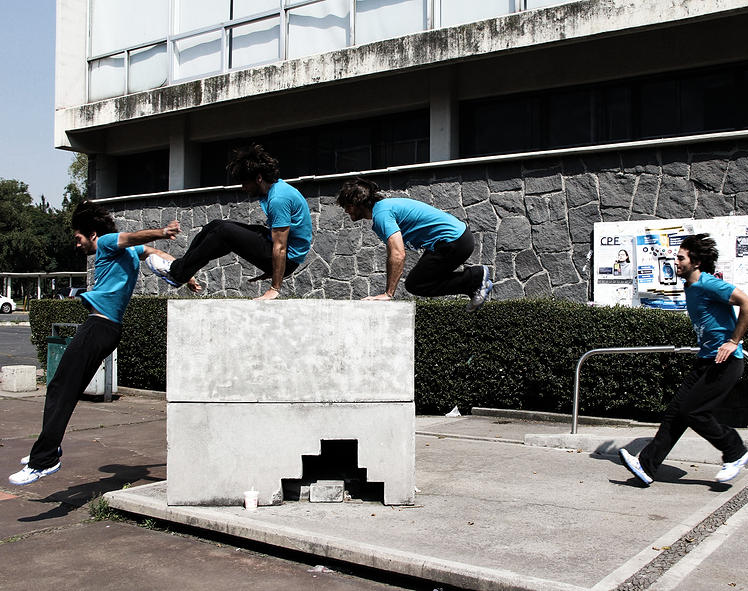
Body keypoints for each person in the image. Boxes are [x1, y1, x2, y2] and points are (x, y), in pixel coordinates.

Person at [9, 202, 197, 485]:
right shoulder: (129, 252)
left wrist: (162, 231)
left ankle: (44, 459)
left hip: (98, 327)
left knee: (61, 388)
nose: (77, 244)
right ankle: (48, 448)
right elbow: (154, 253)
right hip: (106, 329)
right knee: (63, 387)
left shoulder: (108, 243)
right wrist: (186, 274)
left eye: (78, 238)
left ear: (93, 234)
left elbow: (134, 237)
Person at [619, 233, 748, 486]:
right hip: (706, 360)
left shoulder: (708, 284)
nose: (676, 262)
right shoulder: (690, 286)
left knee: (694, 411)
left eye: (681, 258)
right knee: (676, 412)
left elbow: (747, 304)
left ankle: (735, 452)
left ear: (696, 262)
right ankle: (646, 466)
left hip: (726, 362)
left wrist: (733, 341)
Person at [146, 144, 312, 300]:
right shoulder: (276, 189)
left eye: (245, 183)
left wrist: (275, 286)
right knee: (216, 225)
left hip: (288, 259)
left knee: (224, 232)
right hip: (282, 253)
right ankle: (180, 270)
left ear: (259, 178)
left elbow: (280, 247)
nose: (243, 188)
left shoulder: (278, 199)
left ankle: (177, 273)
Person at [336, 178, 493, 311]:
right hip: (453, 239)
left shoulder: (382, 215)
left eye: (347, 206)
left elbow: (398, 254)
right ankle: (474, 286)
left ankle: (476, 277)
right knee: (421, 279)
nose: (346, 211)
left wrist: (388, 294)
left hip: (452, 241)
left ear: (358, 203)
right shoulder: (384, 208)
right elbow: (393, 254)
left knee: (416, 283)